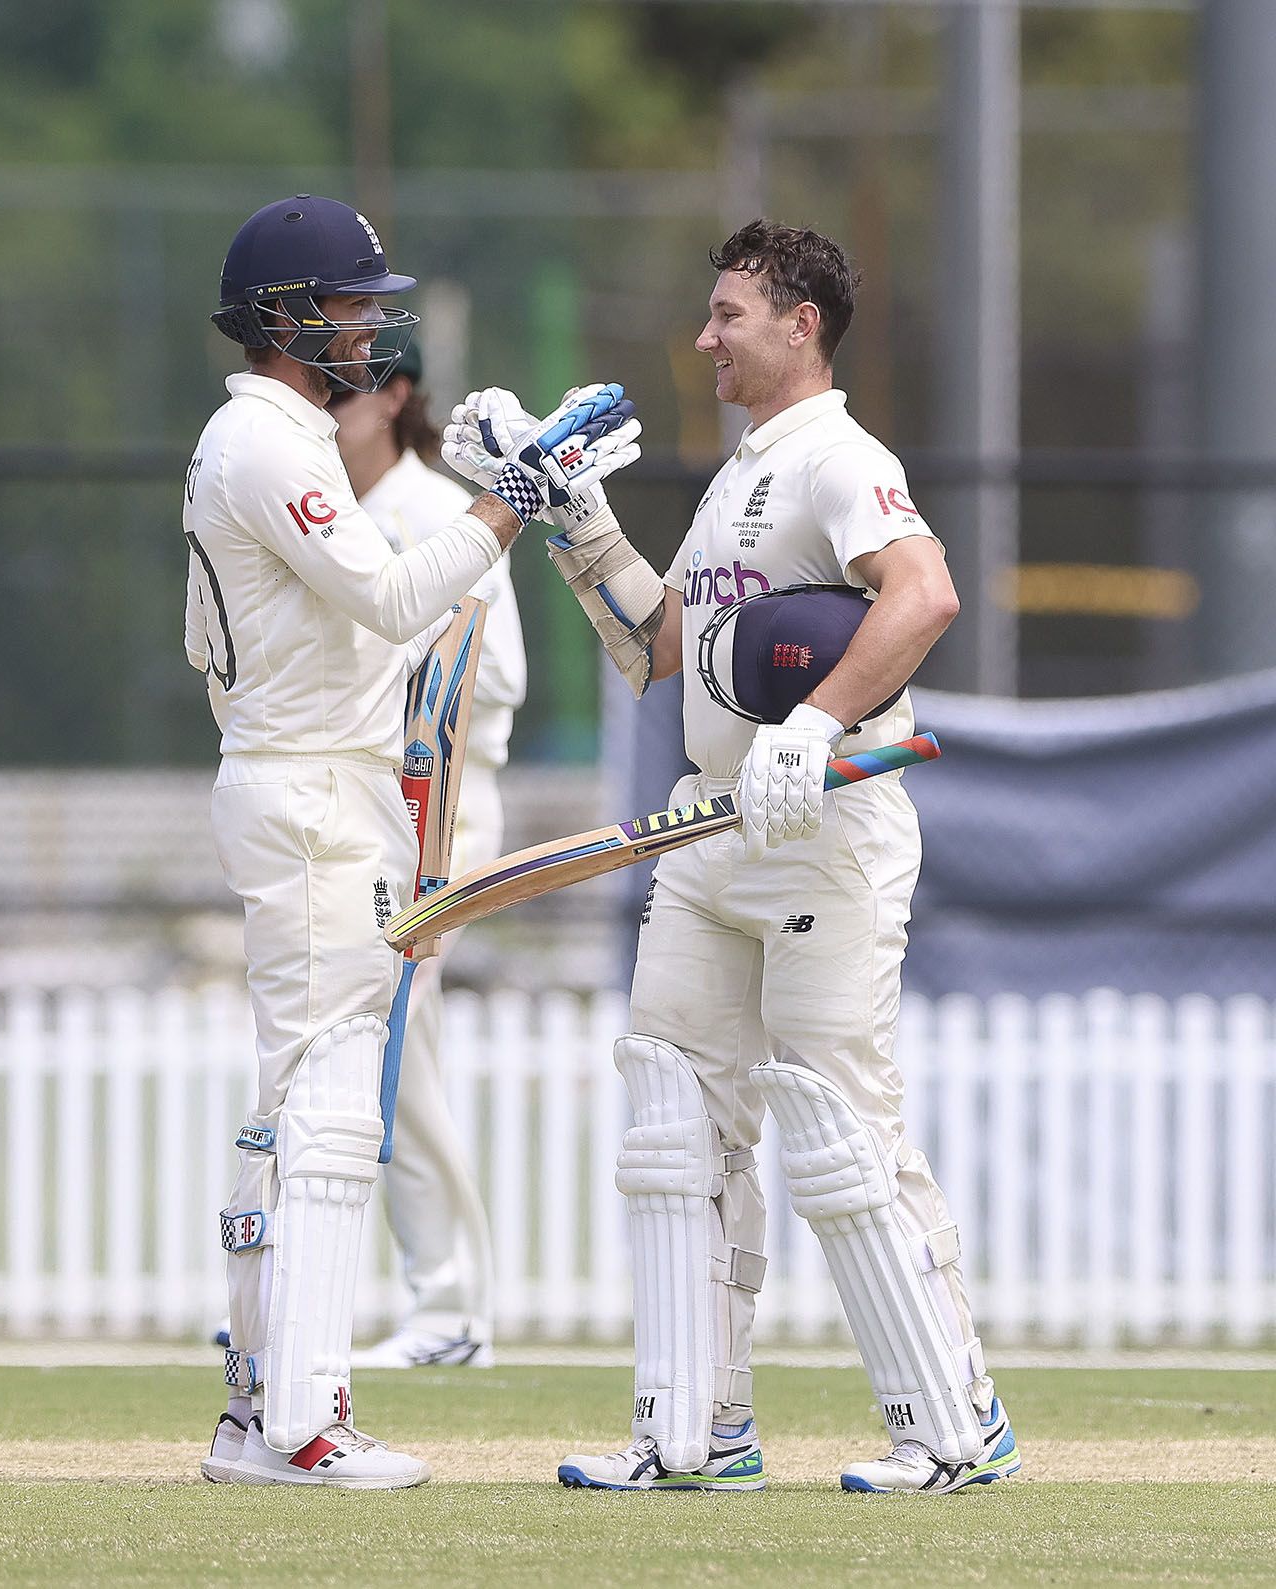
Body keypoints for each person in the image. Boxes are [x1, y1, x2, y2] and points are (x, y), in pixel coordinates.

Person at [446, 219, 1019, 1495]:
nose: (703, 339)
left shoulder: (837, 458)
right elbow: (662, 649)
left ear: (800, 324)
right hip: (707, 822)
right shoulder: (735, 477)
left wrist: (813, 726)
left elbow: (922, 593)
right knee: (674, 1118)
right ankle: (693, 1426)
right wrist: (576, 520)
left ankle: (953, 1421)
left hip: (821, 822)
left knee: (836, 1122)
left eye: (728, 316)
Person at [185, 194, 637, 1488]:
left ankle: (257, 1410)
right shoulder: (265, 442)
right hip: (312, 795)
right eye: (348, 305)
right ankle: (300, 1423)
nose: (367, 329)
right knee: (326, 1103)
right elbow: (390, 600)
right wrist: (509, 504)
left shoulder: (270, 436)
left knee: (298, 1100)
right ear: (285, 315)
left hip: (314, 784)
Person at [328, 332, 526, 1368]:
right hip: (363, 804)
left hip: (442, 802)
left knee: (398, 1041)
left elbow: (500, 675)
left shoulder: (437, 510)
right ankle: (352, 1297)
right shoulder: (332, 510)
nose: (323, 405)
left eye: (344, 386)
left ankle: (450, 1310)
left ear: (395, 393)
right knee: (362, 1039)